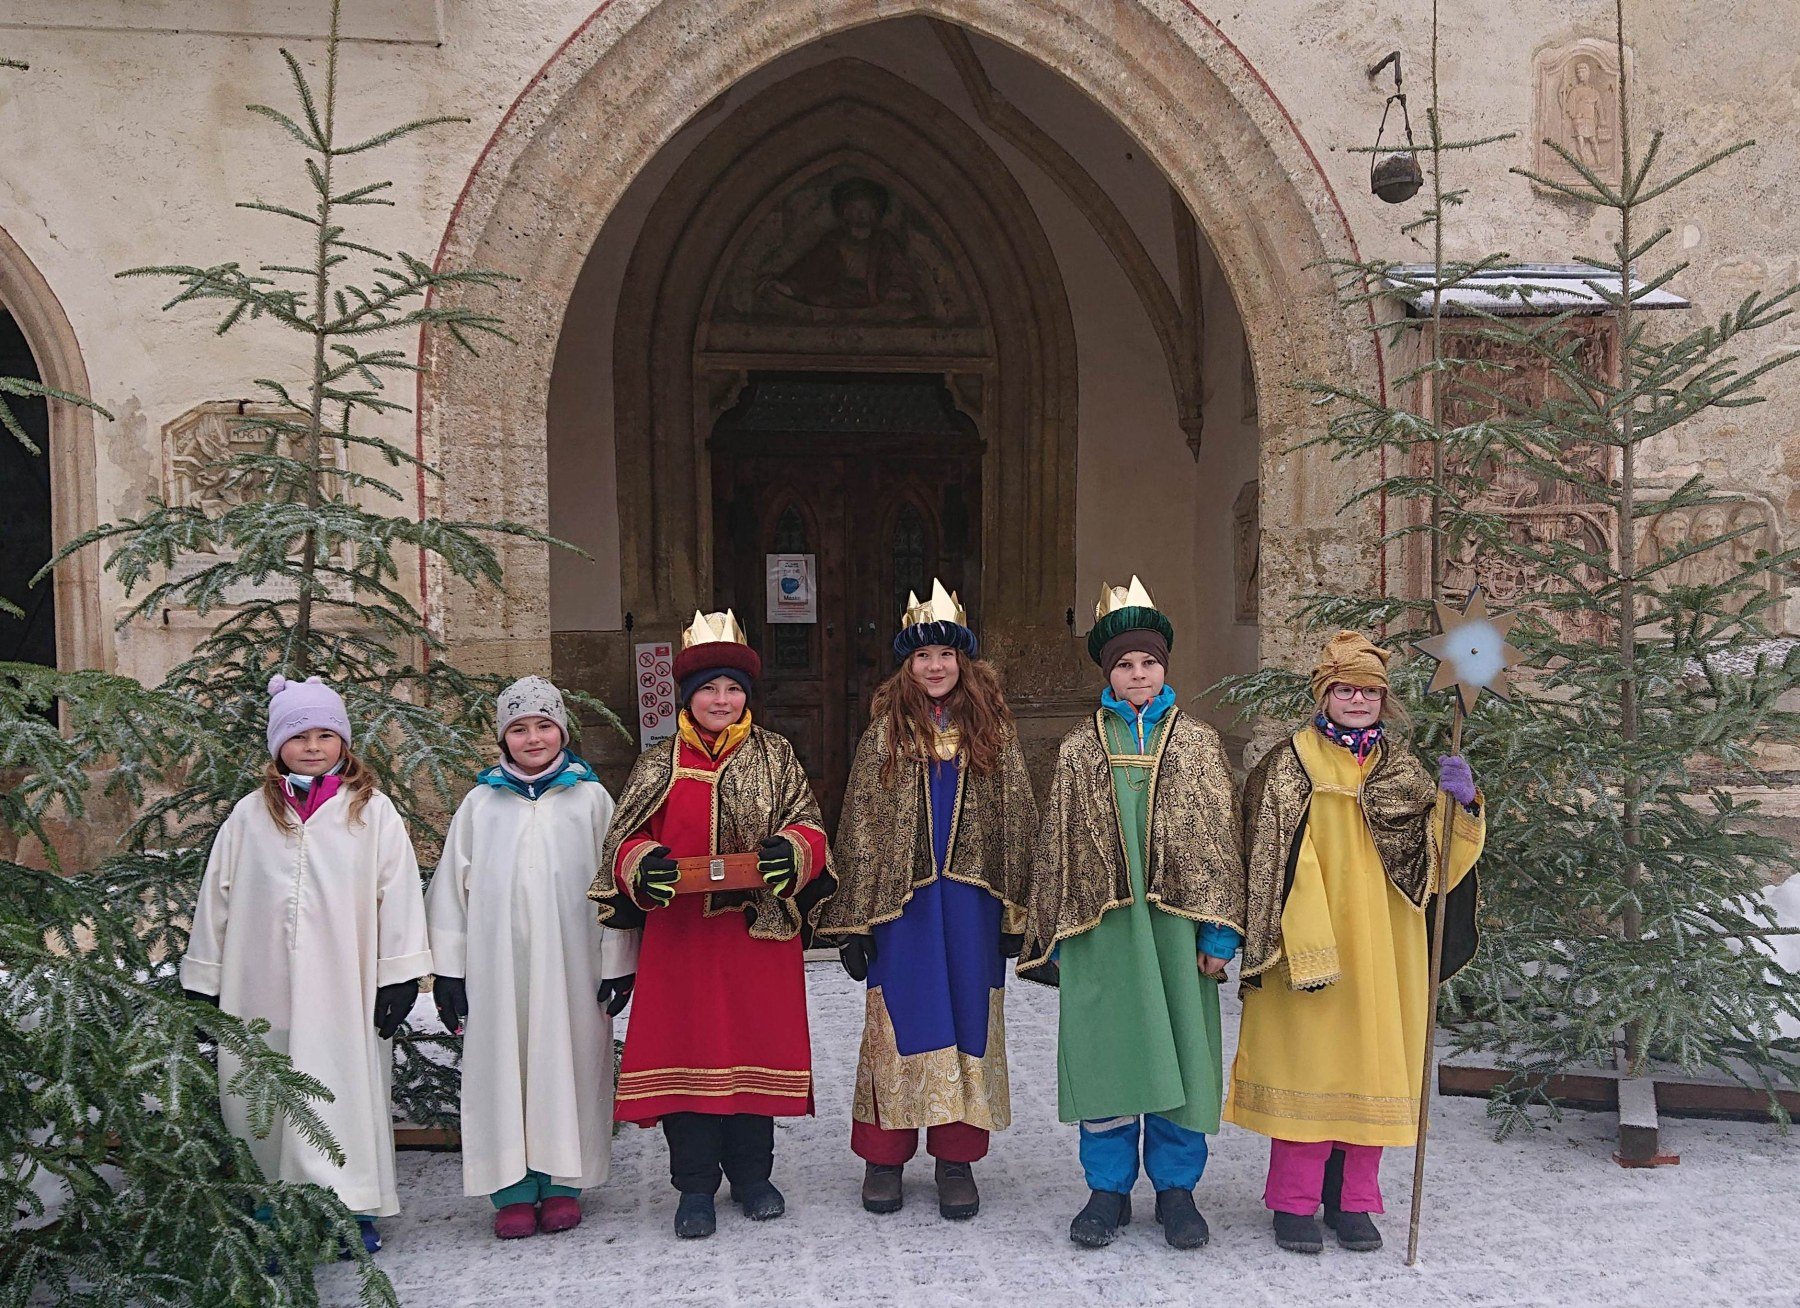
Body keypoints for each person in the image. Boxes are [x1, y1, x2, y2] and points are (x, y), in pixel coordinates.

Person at [1225, 630, 1484, 1255]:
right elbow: (1271, 859)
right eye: (1344, 689)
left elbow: (1436, 861)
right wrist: (1305, 938)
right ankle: (1293, 1203)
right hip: (1306, 944)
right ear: (1323, 696)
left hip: (1386, 947)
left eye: (1369, 691)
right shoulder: (1287, 765)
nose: (1357, 700)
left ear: (1384, 700)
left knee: (1369, 1067)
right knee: (1309, 1069)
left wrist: (1463, 804)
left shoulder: (1401, 769)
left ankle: (1353, 1202)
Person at [1019, 577, 1251, 1251]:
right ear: (1108, 673)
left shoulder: (1198, 743)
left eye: (1148, 662)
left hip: (1178, 930)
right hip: (1105, 931)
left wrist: (1218, 932)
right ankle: (1107, 1189)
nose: (1138, 673)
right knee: (1108, 1057)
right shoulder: (1079, 748)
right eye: (1125, 663)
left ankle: (1177, 1190)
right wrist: (1059, 935)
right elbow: (1057, 843)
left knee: (1182, 1052)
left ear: (1165, 668)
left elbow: (1220, 842)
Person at [589, 610, 831, 1239]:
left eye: (732, 689)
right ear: (688, 696)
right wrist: (645, 864)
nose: (720, 700)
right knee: (688, 1060)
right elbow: (625, 837)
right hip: (683, 941)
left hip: (755, 939)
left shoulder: (776, 755)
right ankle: (694, 1186)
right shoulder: (659, 762)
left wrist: (792, 851)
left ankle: (753, 1176)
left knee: (752, 1054)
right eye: (708, 689)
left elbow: (810, 825)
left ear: (746, 695)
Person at [181, 675, 430, 1255]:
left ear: (344, 743)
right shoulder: (249, 816)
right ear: (277, 746)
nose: (313, 746)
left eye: (326, 734)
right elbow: (216, 898)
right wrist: (204, 982)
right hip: (257, 982)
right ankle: (273, 1204)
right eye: (298, 736)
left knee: (342, 1088)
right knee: (260, 1088)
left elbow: (398, 891)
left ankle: (350, 1206)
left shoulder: (371, 811)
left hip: (345, 985)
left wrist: (398, 972)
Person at [818, 580, 1037, 1220]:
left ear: (964, 662)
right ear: (906, 667)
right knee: (900, 1024)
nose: (934, 666)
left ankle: (955, 1159)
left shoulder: (995, 733)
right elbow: (858, 828)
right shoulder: (881, 737)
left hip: (971, 906)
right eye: (921, 657)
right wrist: (854, 919)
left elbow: (1018, 820)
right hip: (901, 910)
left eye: (945, 654)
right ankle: (883, 1157)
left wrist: (1016, 911)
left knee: (968, 1021)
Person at [427, 676, 641, 1239]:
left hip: (573, 965)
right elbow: (451, 889)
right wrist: (449, 970)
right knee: (503, 1065)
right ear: (503, 738)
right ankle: (512, 1188)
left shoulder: (591, 799)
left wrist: (619, 963)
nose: (533, 737)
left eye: (544, 725)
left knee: (567, 1061)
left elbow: (615, 886)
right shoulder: (479, 805)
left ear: (563, 732)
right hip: (498, 970)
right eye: (518, 728)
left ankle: (562, 1180)